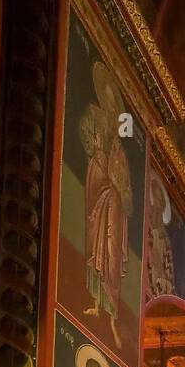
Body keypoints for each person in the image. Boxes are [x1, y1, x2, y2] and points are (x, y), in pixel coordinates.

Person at [80, 62, 132, 349]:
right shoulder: (96, 124)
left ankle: (111, 312)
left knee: (110, 254)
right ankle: (95, 304)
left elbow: (125, 188)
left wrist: (117, 189)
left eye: (115, 101)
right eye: (108, 98)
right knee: (95, 249)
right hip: (99, 200)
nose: (110, 105)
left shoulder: (120, 147)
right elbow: (88, 143)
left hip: (113, 209)